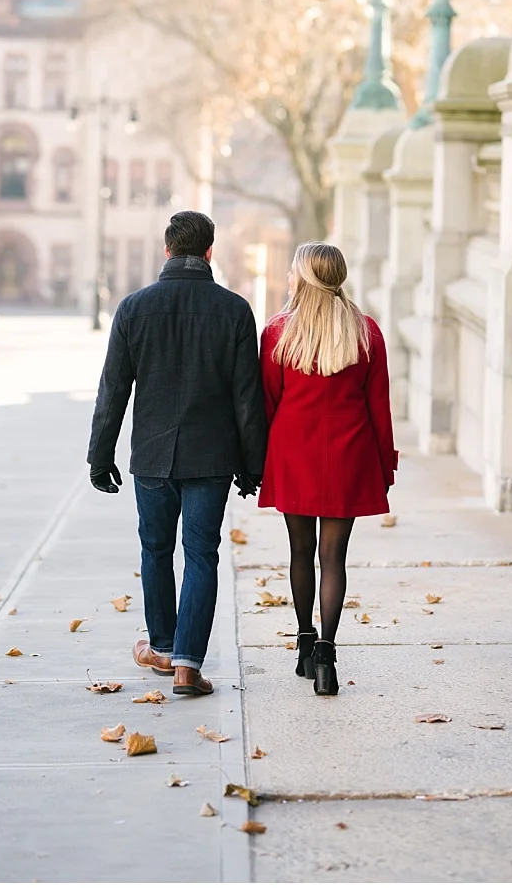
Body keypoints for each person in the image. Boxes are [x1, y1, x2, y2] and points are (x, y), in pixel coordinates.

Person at [87, 210, 267, 697]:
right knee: (202, 554)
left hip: (152, 454)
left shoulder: (133, 308)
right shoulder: (235, 311)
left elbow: (113, 391)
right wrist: (253, 465)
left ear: (167, 250)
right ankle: (188, 666)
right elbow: (247, 398)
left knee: (156, 550)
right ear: (209, 252)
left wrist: (99, 456)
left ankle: (163, 648)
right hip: (212, 457)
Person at [258, 242, 398, 697]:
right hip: (349, 452)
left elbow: (267, 403)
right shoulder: (365, 331)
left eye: (292, 271)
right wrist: (385, 464)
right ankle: (326, 656)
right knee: (333, 558)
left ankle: (303, 643)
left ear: (305, 278)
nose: (287, 278)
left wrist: (259, 461)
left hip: (293, 451)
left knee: (300, 552)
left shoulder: (278, 333)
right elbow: (380, 407)